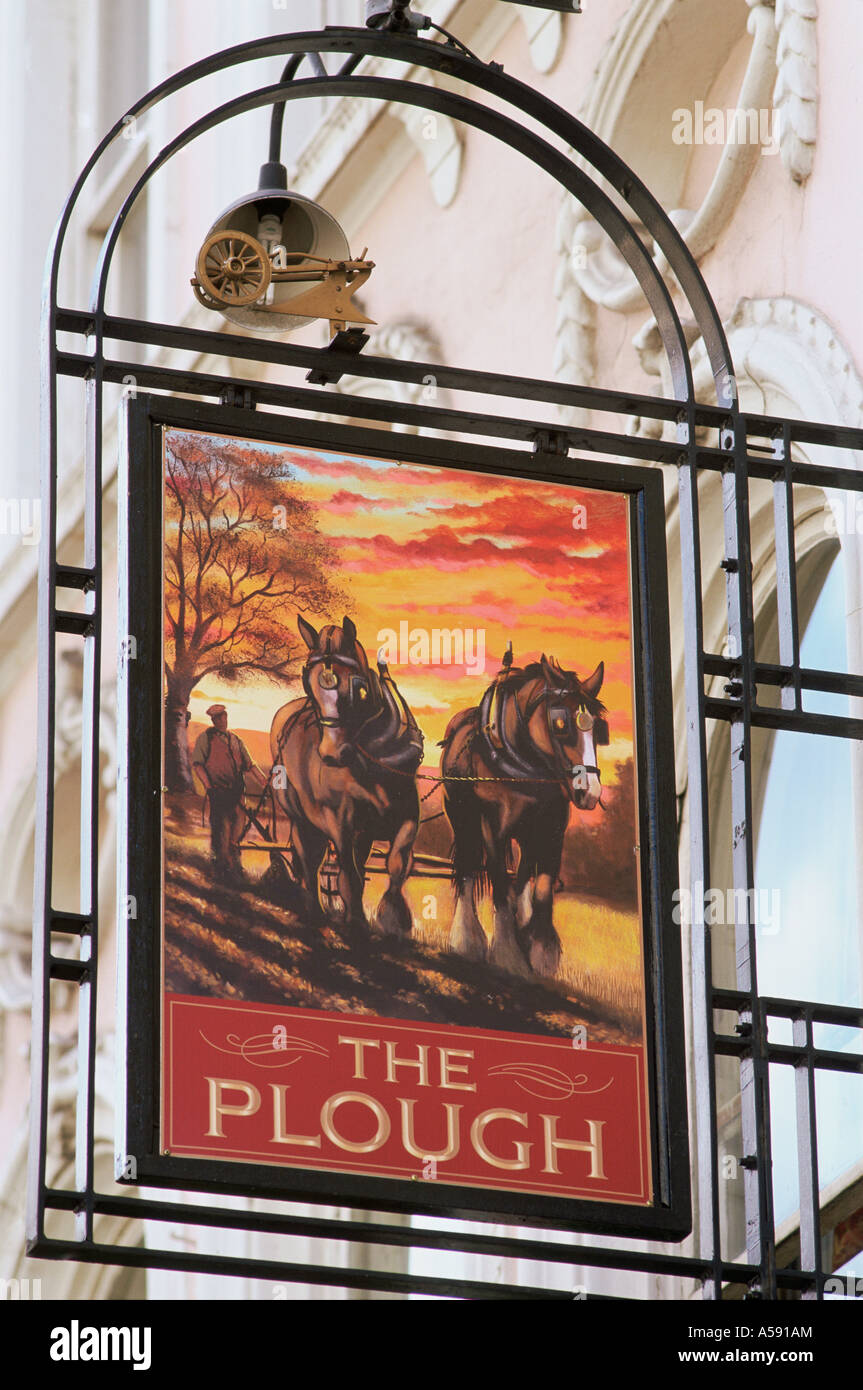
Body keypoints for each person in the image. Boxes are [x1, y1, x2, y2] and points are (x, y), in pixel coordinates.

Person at [191, 704, 259, 881]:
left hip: (237, 794)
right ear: (213, 721)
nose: (221, 721)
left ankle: (235, 870)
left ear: (226, 717)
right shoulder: (206, 738)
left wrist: (266, 782)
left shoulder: (236, 740)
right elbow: (198, 765)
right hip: (219, 794)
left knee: (237, 833)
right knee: (221, 832)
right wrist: (209, 787)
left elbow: (250, 765)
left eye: (223, 717)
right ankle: (220, 872)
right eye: (217, 718)